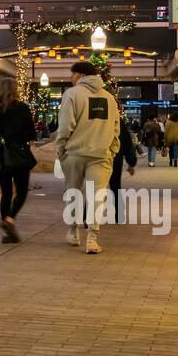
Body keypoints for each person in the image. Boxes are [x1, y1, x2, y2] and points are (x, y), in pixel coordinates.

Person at [56, 61, 120, 255]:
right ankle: (92, 238)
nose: (70, 78)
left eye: (72, 74)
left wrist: (61, 149)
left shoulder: (72, 95)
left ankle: (73, 232)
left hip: (74, 153)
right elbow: (116, 128)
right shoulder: (109, 98)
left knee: (73, 192)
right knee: (97, 195)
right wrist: (113, 150)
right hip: (101, 155)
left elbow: (65, 125)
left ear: (80, 75)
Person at [0, 78, 37, 244]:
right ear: (15, 89)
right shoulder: (23, 108)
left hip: (0, 155)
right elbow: (31, 133)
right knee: (21, 191)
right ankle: (9, 219)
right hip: (18, 155)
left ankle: (8, 233)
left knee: (6, 193)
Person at [109, 105, 138, 223]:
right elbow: (127, 142)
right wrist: (131, 162)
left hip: (99, 157)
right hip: (116, 157)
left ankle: (88, 216)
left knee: (95, 186)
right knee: (116, 186)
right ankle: (119, 214)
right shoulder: (118, 121)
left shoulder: (97, 119)